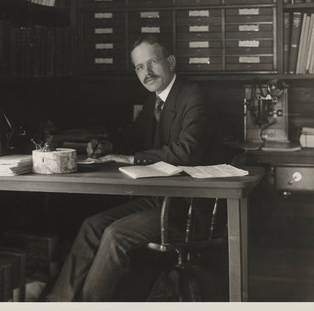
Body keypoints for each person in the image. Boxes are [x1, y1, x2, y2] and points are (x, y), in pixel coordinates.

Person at [46, 35, 224, 301]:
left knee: (115, 236)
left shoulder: (194, 96)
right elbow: (133, 135)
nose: (147, 72)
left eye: (152, 62)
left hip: (188, 208)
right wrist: (108, 144)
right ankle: (57, 303)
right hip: (159, 199)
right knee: (91, 226)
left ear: (171, 62)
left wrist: (134, 158)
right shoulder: (155, 100)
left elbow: (187, 151)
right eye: (140, 67)